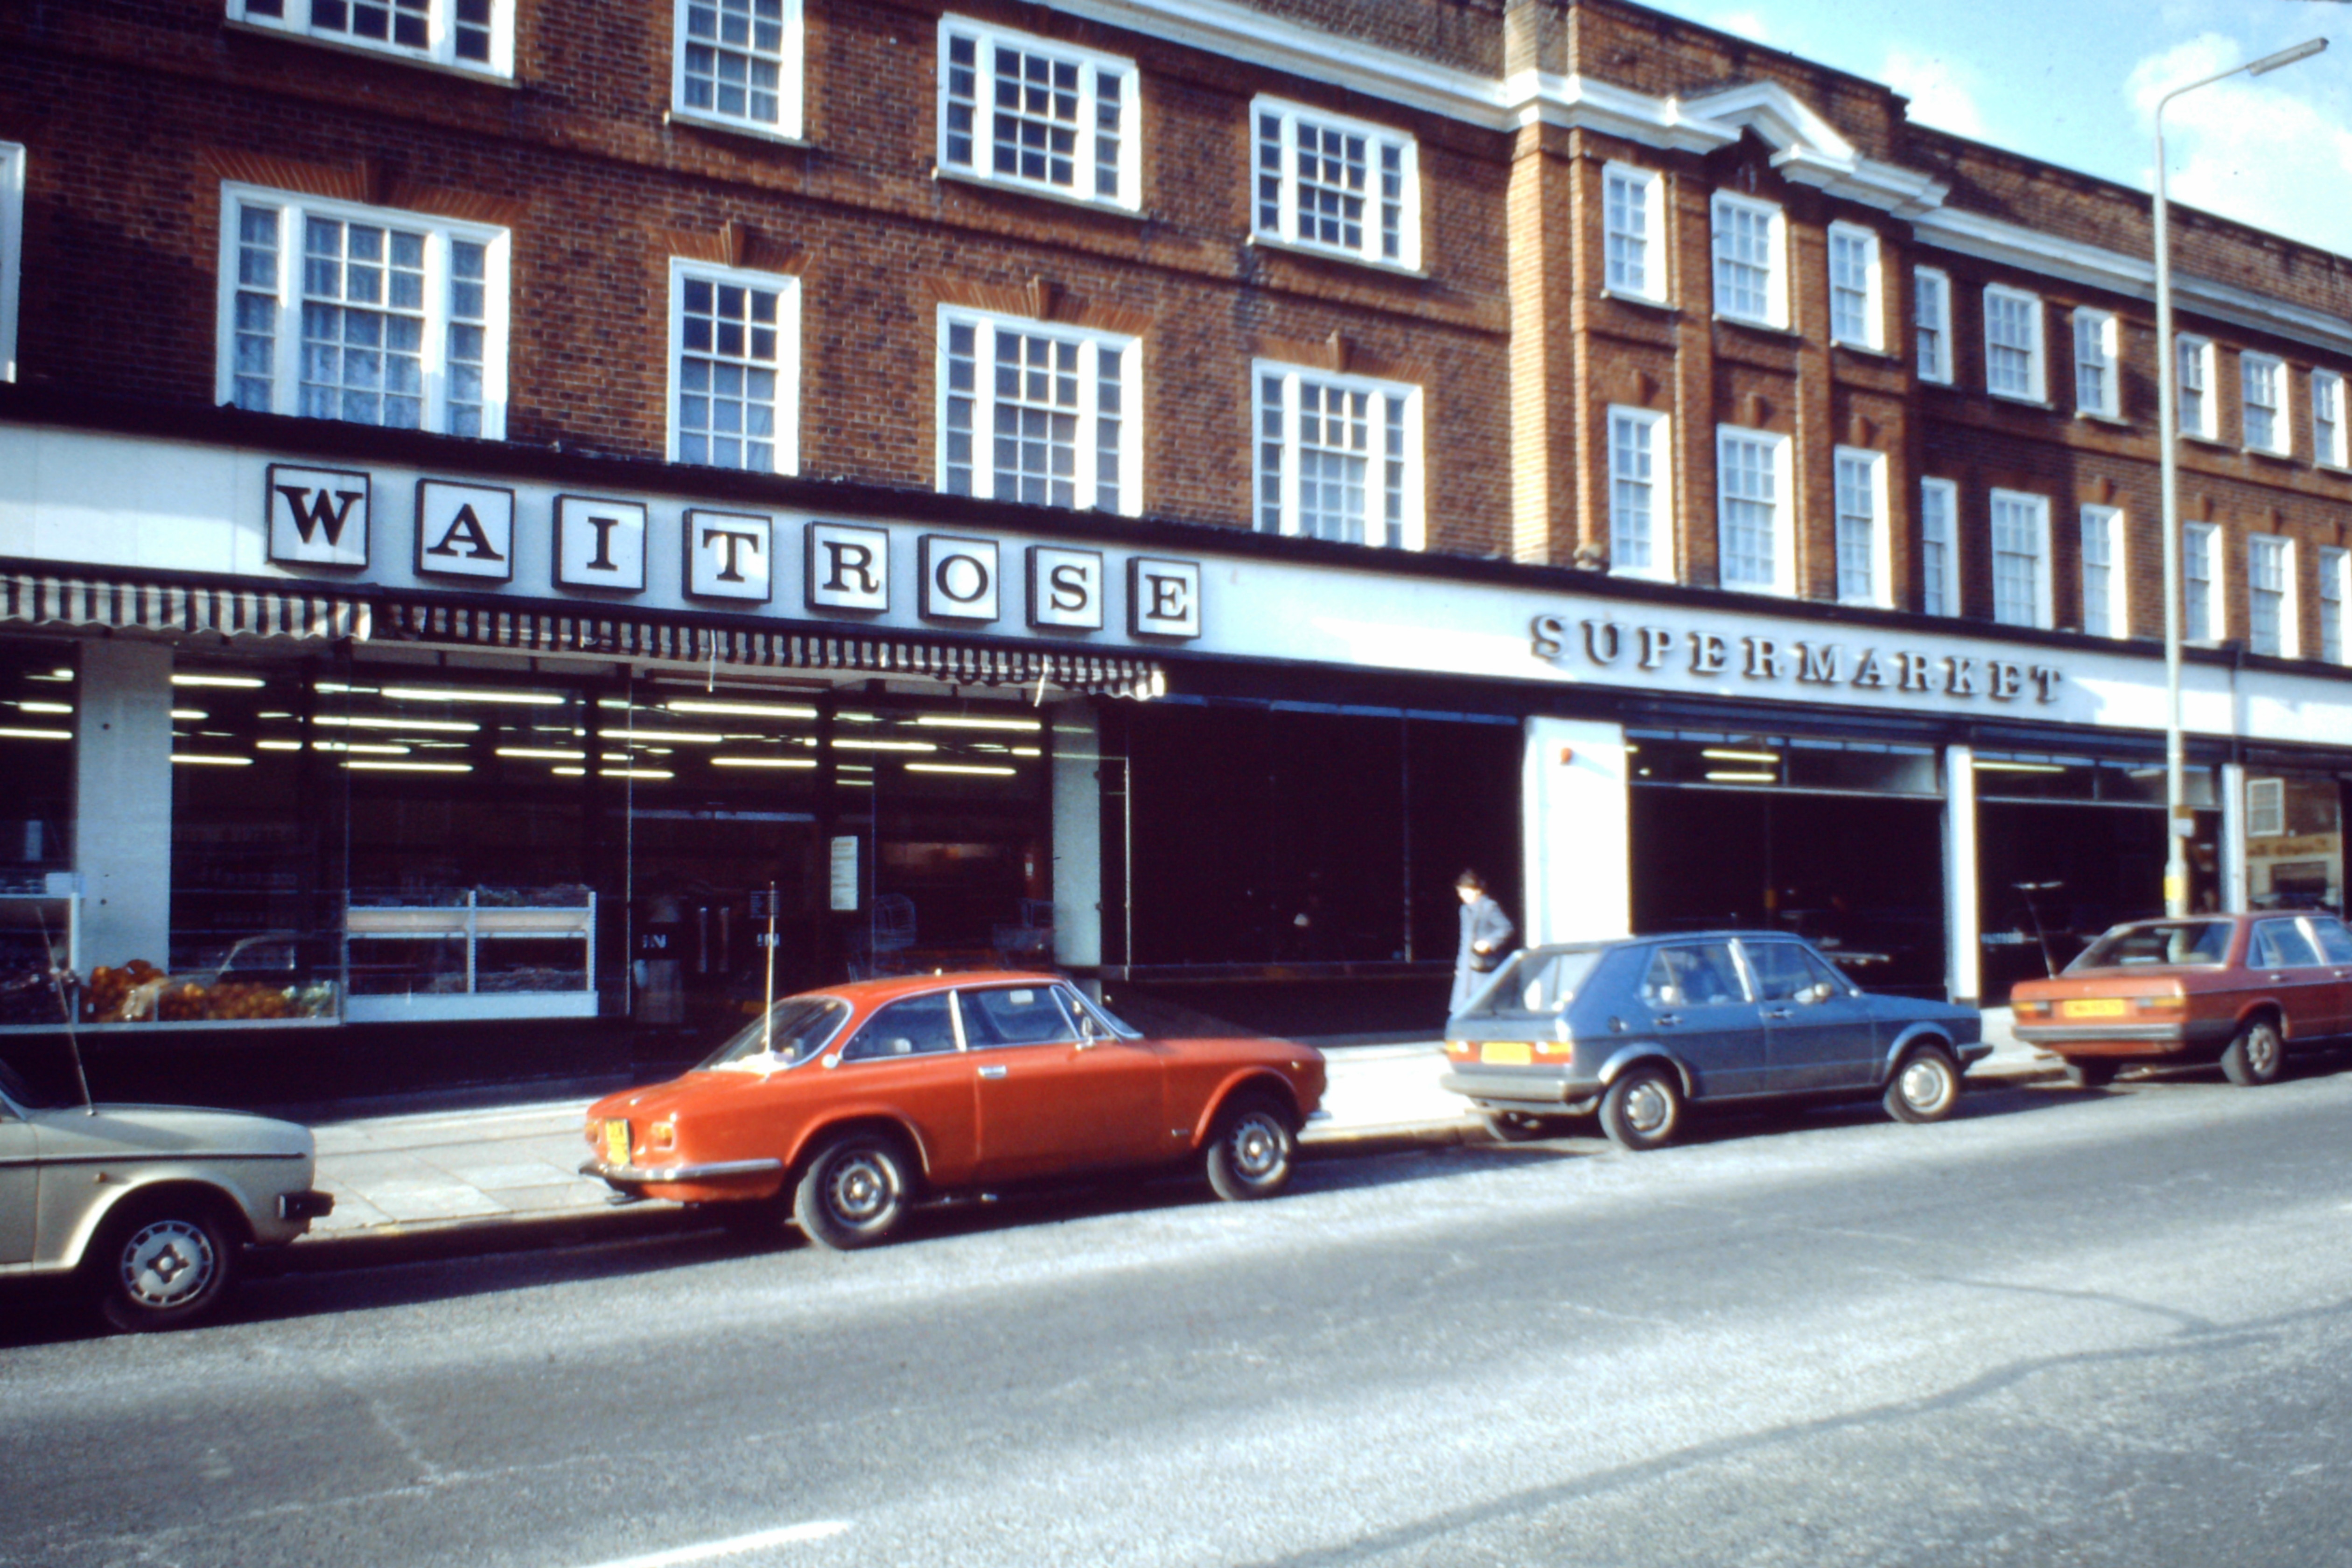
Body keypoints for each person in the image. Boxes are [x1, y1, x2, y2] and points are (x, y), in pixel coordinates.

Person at [1450, 869, 1514, 1015]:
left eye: (1466, 892)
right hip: (1468, 964)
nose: (1463, 896)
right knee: (1463, 1005)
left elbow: (1506, 927)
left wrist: (1489, 942)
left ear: (1477, 891)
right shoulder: (1464, 910)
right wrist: (1460, 966)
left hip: (1484, 965)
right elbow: (1464, 940)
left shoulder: (1489, 907)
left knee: (1483, 1002)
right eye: (1461, 892)